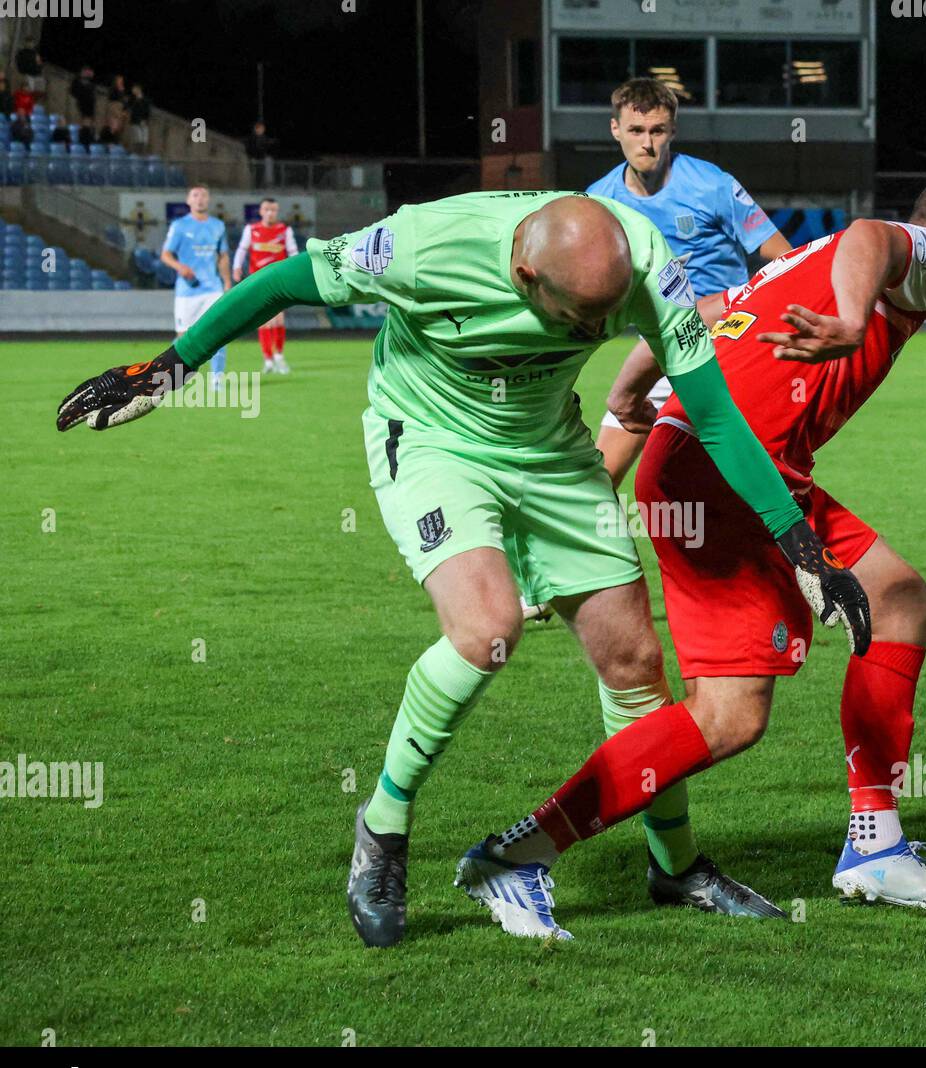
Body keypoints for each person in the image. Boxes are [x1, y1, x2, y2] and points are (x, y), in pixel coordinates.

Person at [55, 190, 871, 949]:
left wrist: (805, 551)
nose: (594, 333)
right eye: (581, 316)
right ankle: (383, 824)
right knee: (487, 630)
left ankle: (676, 862)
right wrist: (168, 368)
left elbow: (720, 419)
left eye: (606, 316)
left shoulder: (644, 262)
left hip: (552, 453)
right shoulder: (419, 246)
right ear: (524, 273)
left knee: (635, 663)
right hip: (434, 439)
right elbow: (285, 281)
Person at [457, 171, 926, 940]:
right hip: (727, 475)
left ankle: (875, 842)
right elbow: (871, 236)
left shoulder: (802, 257)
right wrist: (854, 319)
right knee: (727, 715)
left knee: (901, 598)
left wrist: (634, 384)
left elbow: (716, 311)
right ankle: (518, 855)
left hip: (726, 466)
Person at [586, 77, 792, 490]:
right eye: (636, 131)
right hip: (658, 351)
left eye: (658, 131)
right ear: (615, 130)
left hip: (725, 348)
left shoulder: (712, 185)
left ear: (672, 131)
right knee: (598, 481)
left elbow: (783, 257)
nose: (648, 143)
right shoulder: (598, 201)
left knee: (740, 485)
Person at [159, 186, 232, 388]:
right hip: (188, 291)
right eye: (195, 195)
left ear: (208, 200)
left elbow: (223, 256)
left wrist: (227, 283)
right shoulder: (179, 226)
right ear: (188, 201)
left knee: (219, 332)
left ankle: (216, 378)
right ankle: (170, 375)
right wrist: (179, 267)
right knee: (183, 338)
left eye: (204, 195)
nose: (200, 199)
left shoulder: (218, 225)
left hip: (213, 289)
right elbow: (166, 255)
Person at [232, 197, 299, 373]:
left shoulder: (284, 230)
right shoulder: (251, 229)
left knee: (278, 317)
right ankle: (268, 358)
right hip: (259, 280)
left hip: (279, 280)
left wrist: (295, 273)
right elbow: (242, 249)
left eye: (273, 210)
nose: (270, 213)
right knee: (265, 319)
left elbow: (293, 253)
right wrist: (237, 266)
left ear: (277, 212)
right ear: (261, 212)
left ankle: (279, 356)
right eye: (266, 209)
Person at [126, 83, 152, 148]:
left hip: (142, 121)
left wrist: (145, 120)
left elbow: (147, 111)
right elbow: (126, 106)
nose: (132, 90)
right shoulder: (132, 99)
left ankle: (141, 152)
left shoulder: (145, 100)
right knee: (137, 139)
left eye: (134, 89)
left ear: (138, 90)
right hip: (135, 121)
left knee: (144, 140)